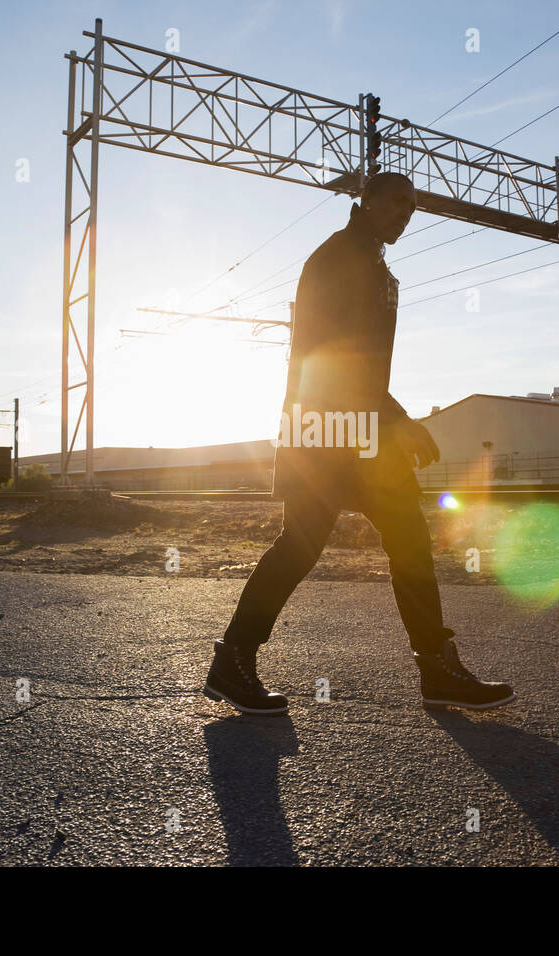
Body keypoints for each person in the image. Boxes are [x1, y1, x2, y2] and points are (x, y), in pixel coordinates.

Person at [202, 172, 514, 715]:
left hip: (353, 425)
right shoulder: (338, 260)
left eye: (413, 207)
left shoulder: (373, 264)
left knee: (405, 540)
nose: (406, 213)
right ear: (364, 201)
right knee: (304, 546)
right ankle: (234, 660)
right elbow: (336, 357)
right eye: (396, 202)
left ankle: (435, 668)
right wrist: (398, 423)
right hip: (326, 428)